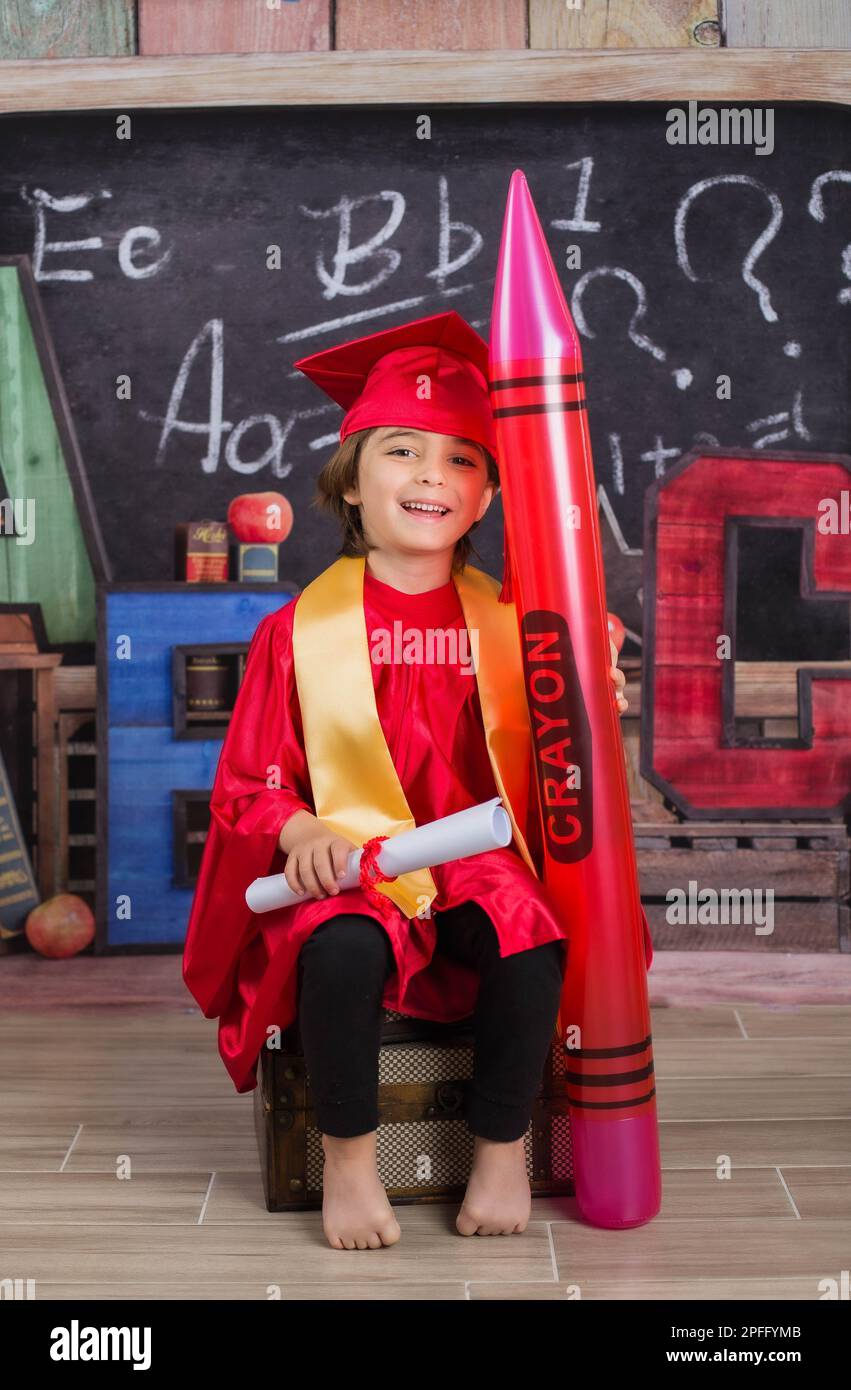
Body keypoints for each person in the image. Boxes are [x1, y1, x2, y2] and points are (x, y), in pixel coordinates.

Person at [182, 310, 640, 1251]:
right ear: (351, 482)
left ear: (485, 500)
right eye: (401, 450)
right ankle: (350, 1158)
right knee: (340, 950)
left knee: (529, 937)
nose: (432, 474)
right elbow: (247, 784)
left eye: (462, 459)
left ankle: (502, 1147)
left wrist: (593, 706)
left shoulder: (518, 627)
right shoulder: (297, 632)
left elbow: (565, 772)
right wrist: (300, 830)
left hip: (476, 861)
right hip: (354, 866)